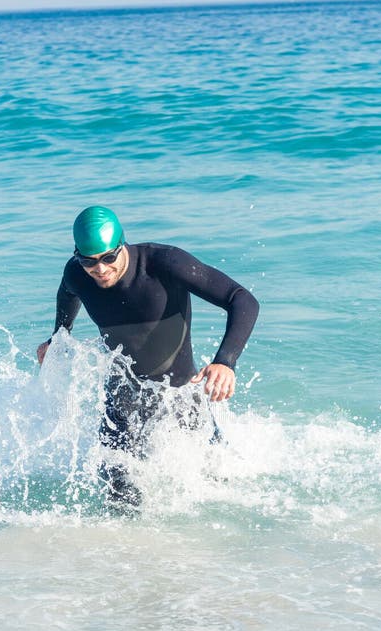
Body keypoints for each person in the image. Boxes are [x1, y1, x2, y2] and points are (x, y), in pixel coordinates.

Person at [38, 205, 259, 505]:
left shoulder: (164, 264)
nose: (100, 269)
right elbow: (67, 293)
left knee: (220, 483)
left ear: (121, 244)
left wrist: (225, 361)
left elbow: (242, 300)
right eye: (89, 261)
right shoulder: (77, 273)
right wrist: (58, 337)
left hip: (179, 396)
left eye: (108, 258)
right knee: (118, 496)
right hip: (121, 398)